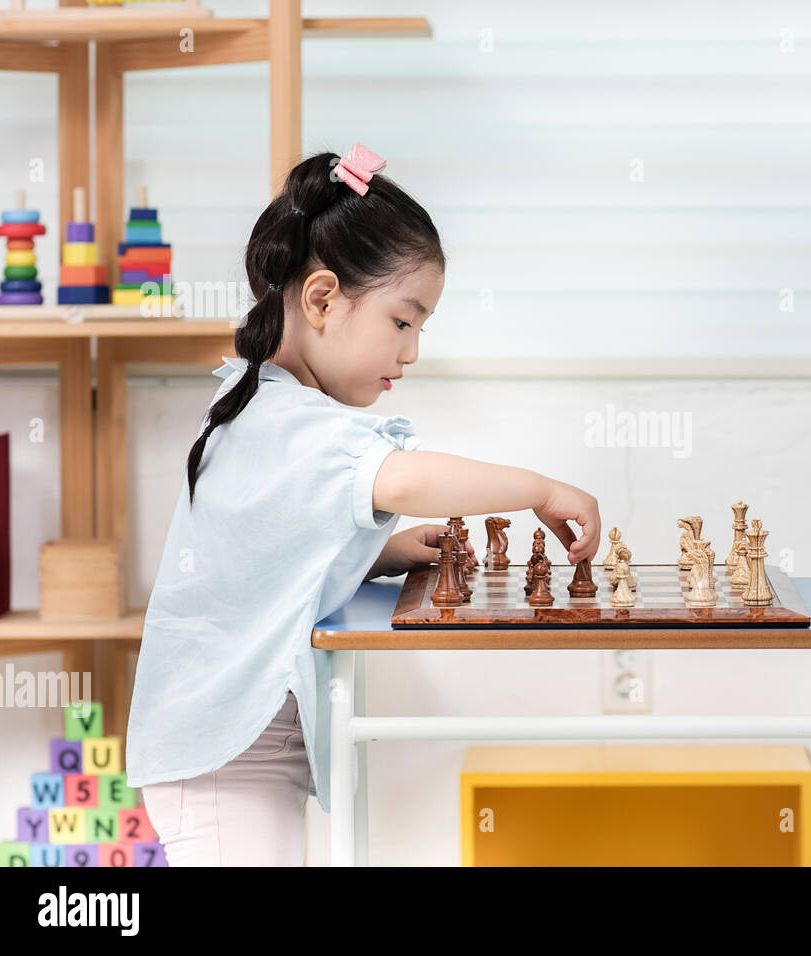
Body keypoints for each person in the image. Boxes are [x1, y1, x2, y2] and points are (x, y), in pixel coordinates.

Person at [125, 144, 600, 865]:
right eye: (403, 322)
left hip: (236, 752)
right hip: (225, 761)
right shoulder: (282, 419)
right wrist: (541, 487)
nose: (410, 353)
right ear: (321, 299)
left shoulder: (264, 403)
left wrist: (380, 554)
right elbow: (403, 480)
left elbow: (261, 552)